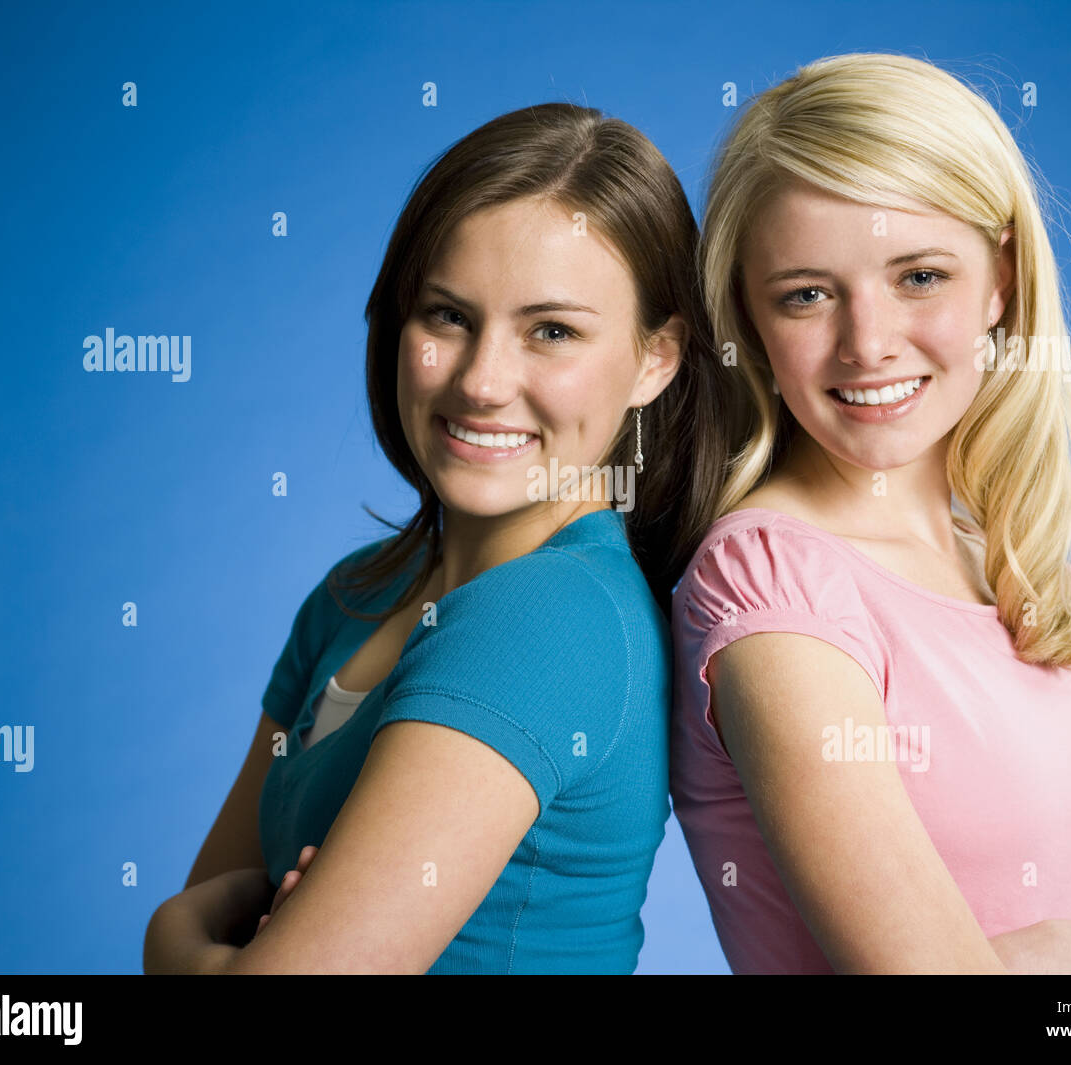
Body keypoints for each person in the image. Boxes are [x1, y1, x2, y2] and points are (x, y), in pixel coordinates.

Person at [142, 101, 733, 974]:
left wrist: (168, 943)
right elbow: (231, 897)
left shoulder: (551, 616)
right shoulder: (354, 594)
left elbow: (210, 920)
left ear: (657, 358)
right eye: (448, 316)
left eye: (553, 331)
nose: (483, 380)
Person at [672, 52, 1071, 974]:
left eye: (921, 276)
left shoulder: (1007, 552)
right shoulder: (769, 581)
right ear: (749, 319)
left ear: (1001, 278)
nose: (870, 342)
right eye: (807, 294)